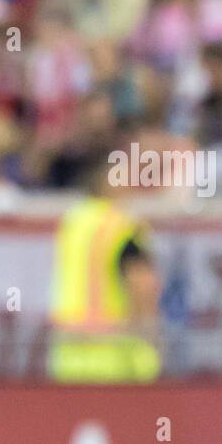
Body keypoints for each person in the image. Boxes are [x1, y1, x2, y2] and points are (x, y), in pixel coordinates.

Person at [48, 164, 161, 383]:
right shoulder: (123, 225)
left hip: (71, 354)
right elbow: (142, 282)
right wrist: (148, 333)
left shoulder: (72, 223)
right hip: (117, 355)